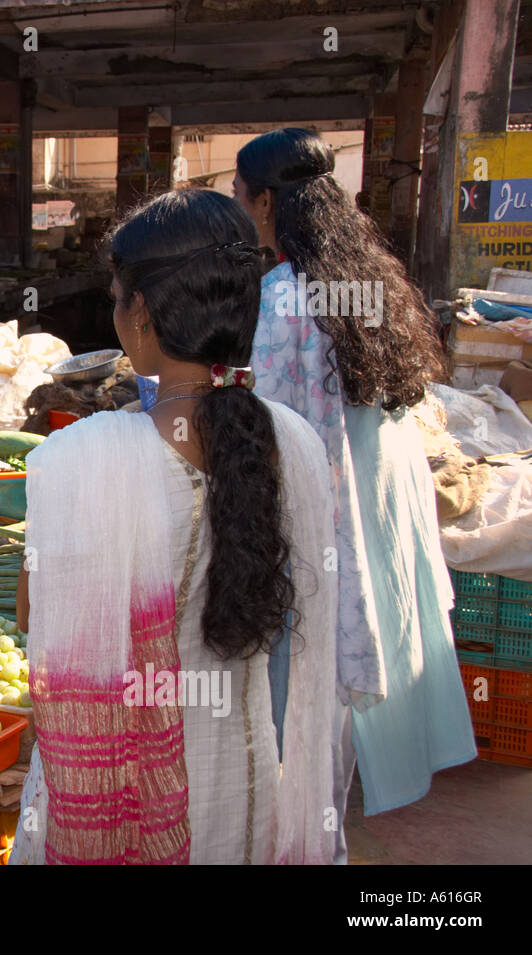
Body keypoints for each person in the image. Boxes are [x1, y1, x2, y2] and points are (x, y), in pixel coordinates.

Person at [12, 188, 339, 865]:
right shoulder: (293, 442)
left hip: (124, 801)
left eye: (115, 296)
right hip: (241, 787)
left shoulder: (81, 456)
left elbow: (31, 615)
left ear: (141, 317)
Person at [233, 128, 475, 833]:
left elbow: (271, 429)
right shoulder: (372, 280)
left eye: (244, 200)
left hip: (332, 507)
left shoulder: (284, 297)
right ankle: (340, 788)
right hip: (381, 496)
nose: (245, 214)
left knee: (315, 655)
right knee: (366, 626)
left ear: (268, 201)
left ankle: (308, 813)